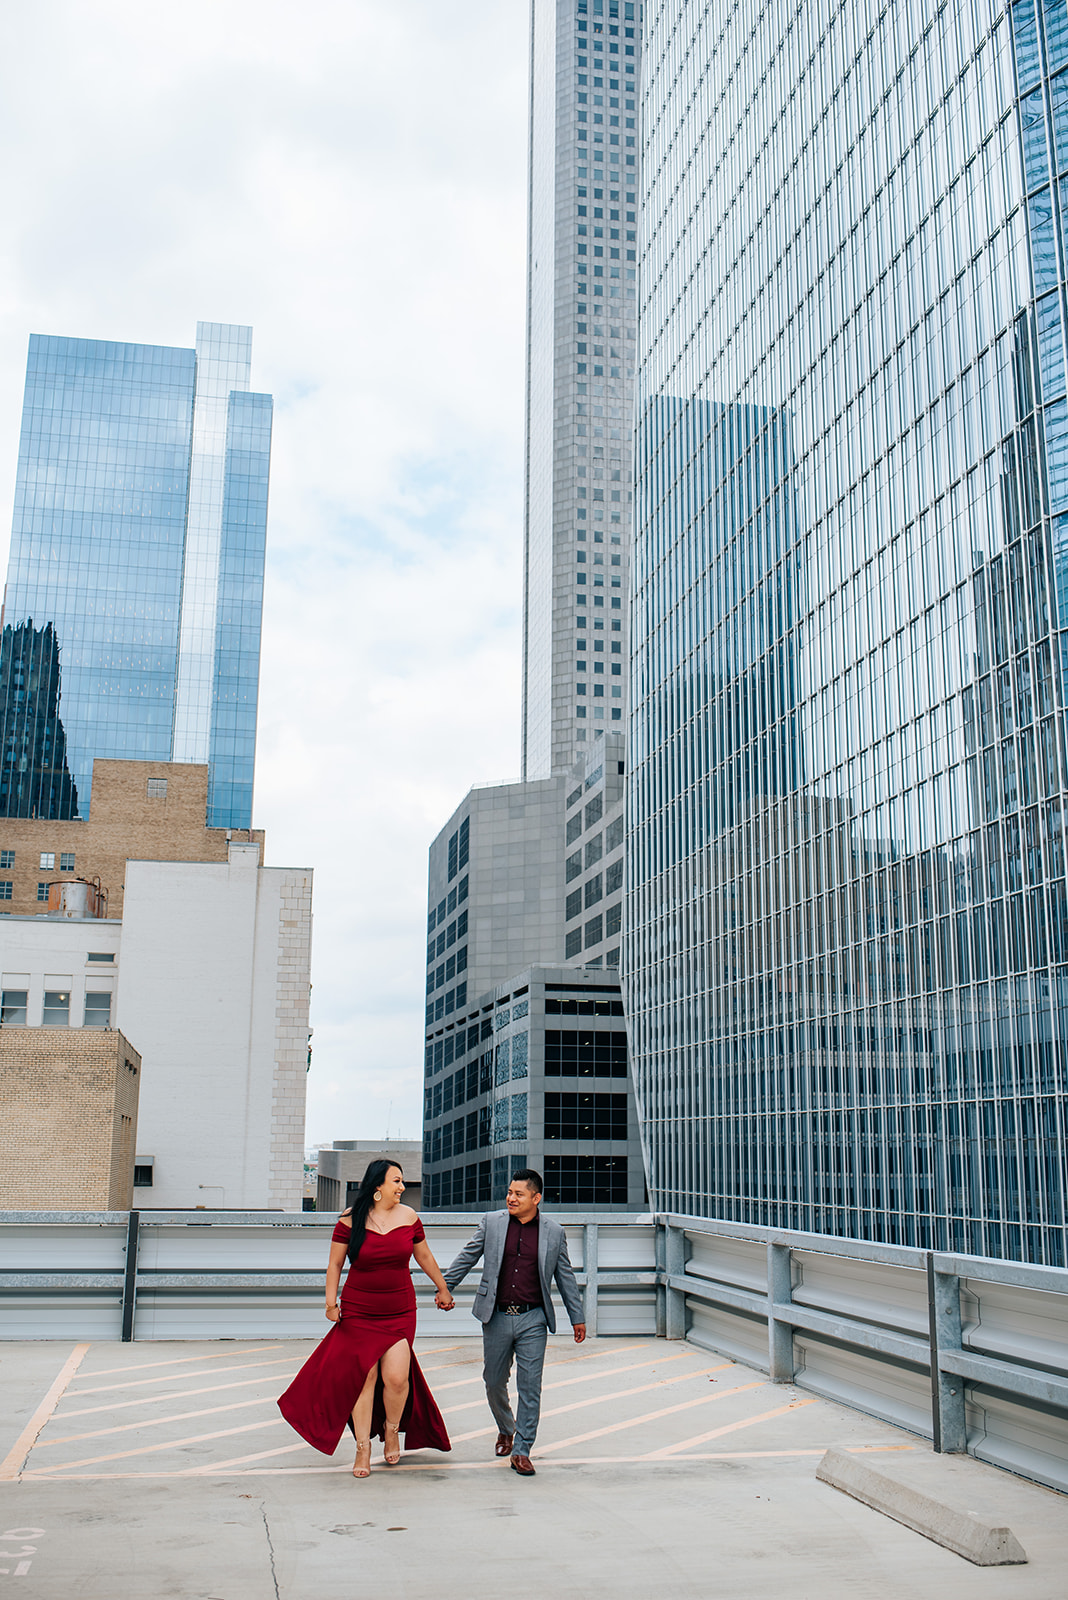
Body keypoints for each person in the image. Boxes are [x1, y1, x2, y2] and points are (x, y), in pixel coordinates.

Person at [278, 1159, 456, 1477]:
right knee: (365, 1378)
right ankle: (363, 1447)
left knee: (397, 1379)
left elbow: (424, 1255)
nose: (402, 1187)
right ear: (378, 1186)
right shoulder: (350, 1220)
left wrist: (442, 1288)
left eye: (402, 1182)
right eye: (397, 1181)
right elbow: (335, 1265)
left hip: (400, 1309)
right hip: (359, 1310)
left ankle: (390, 1429)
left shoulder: (409, 1217)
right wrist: (330, 1303)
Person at [443, 1167, 585, 1477]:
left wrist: (578, 1317)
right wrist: (445, 1288)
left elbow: (566, 1277)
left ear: (536, 1198)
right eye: (509, 1192)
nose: (511, 1198)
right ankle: (506, 1428)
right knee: (493, 1381)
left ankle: (522, 1450)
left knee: (530, 1386)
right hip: (495, 1315)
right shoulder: (492, 1223)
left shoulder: (554, 1232)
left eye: (518, 1194)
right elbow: (468, 1256)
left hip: (533, 1317)